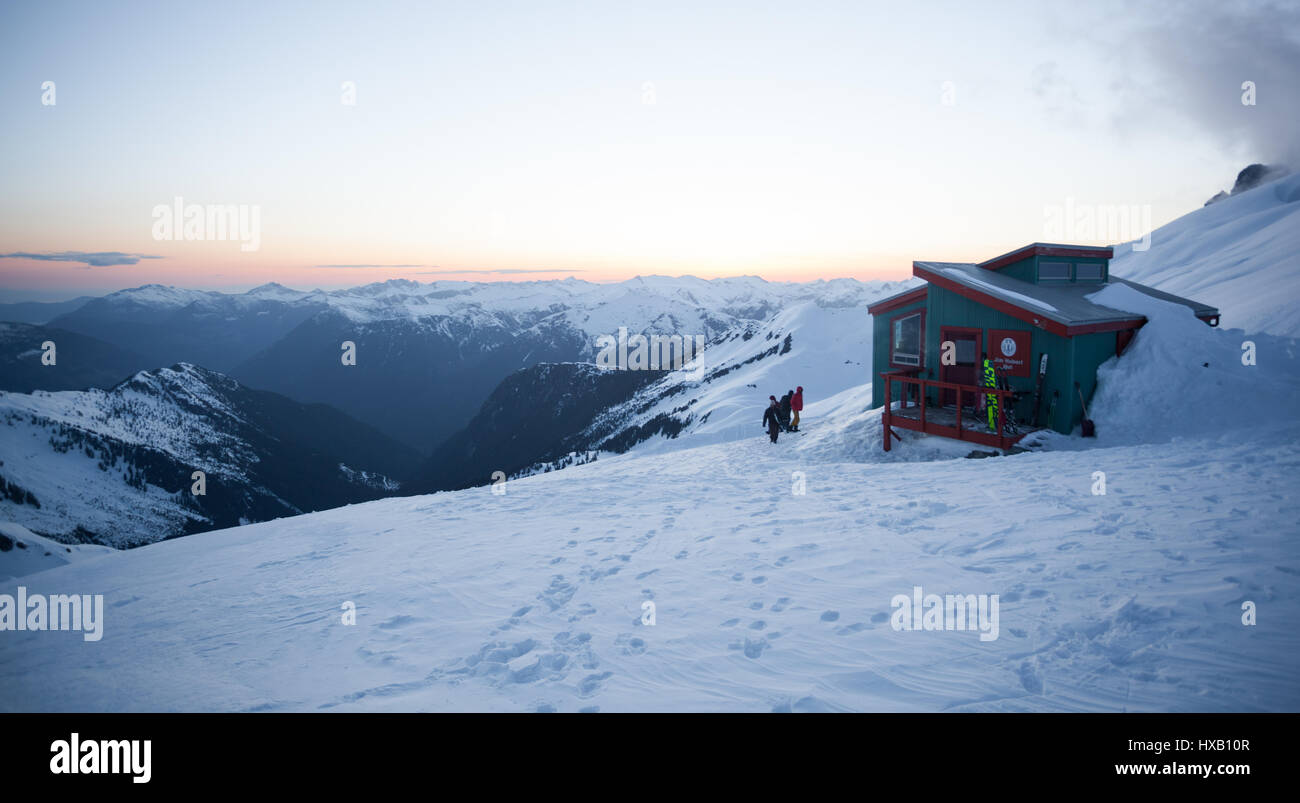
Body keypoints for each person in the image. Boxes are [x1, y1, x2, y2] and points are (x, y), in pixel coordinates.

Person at [981, 351, 998, 431]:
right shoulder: (985, 365)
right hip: (987, 386)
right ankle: (991, 421)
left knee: (990, 403)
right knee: (986, 402)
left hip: (990, 386)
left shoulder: (988, 365)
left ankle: (993, 422)